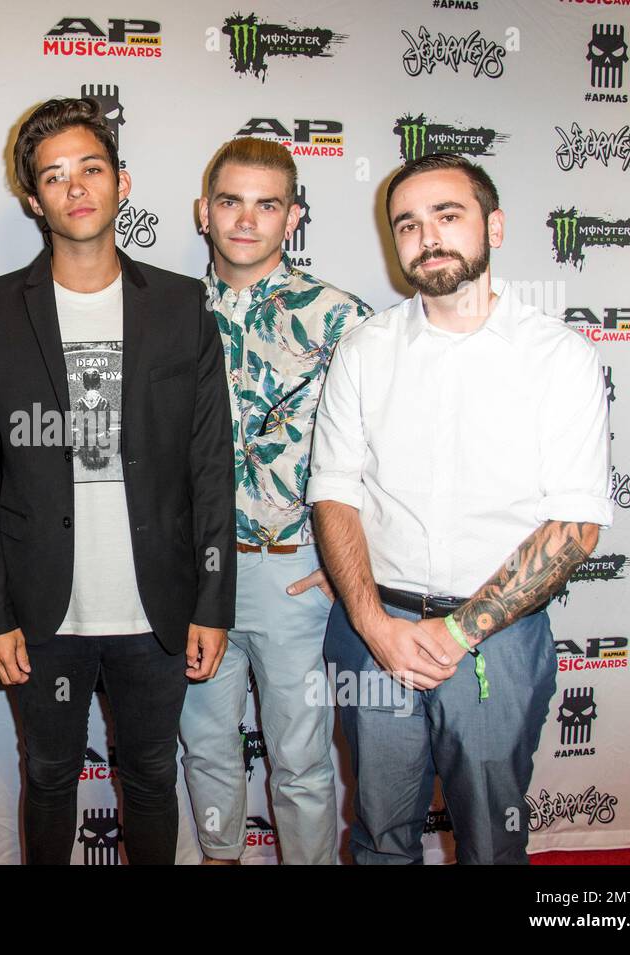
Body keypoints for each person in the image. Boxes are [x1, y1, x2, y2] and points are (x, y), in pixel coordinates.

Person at [0, 97, 235, 865]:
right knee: (47, 776)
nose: (75, 188)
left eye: (91, 169)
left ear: (123, 182)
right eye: (54, 176)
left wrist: (213, 601)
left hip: (157, 605)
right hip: (42, 610)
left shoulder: (181, 306)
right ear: (32, 199)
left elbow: (210, 465)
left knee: (149, 776)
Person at [308, 153, 612, 864]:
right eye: (408, 224)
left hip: (495, 643)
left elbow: (576, 526)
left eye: (448, 215)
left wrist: (459, 632)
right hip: (375, 631)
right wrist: (373, 623)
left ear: (493, 225)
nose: (428, 236)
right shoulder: (364, 349)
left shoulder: (558, 357)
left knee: (490, 842)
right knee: (380, 837)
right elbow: (334, 491)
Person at [179, 137, 373, 865]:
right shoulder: (168, 311)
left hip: (293, 572)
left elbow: (385, 450)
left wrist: (349, 561)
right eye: (231, 201)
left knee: (302, 760)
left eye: (267, 205)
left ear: (293, 216)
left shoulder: (341, 318)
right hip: (195, 578)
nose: (246, 220)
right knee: (205, 747)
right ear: (205, 211)